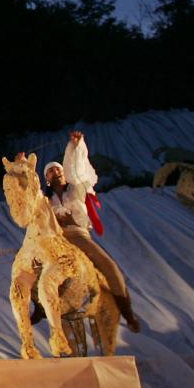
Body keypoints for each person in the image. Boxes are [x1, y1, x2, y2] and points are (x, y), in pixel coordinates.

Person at [43, 130, 141, 332]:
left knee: (108, 265)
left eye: (58, 169)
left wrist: (75, 146)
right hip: (57, 242)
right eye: (51, 171)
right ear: (46, 179)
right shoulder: (46, 201)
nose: (57, 172)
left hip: (80, 237)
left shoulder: (76, 190)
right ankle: (40, 309)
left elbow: (75, 168)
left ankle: (128, 314)